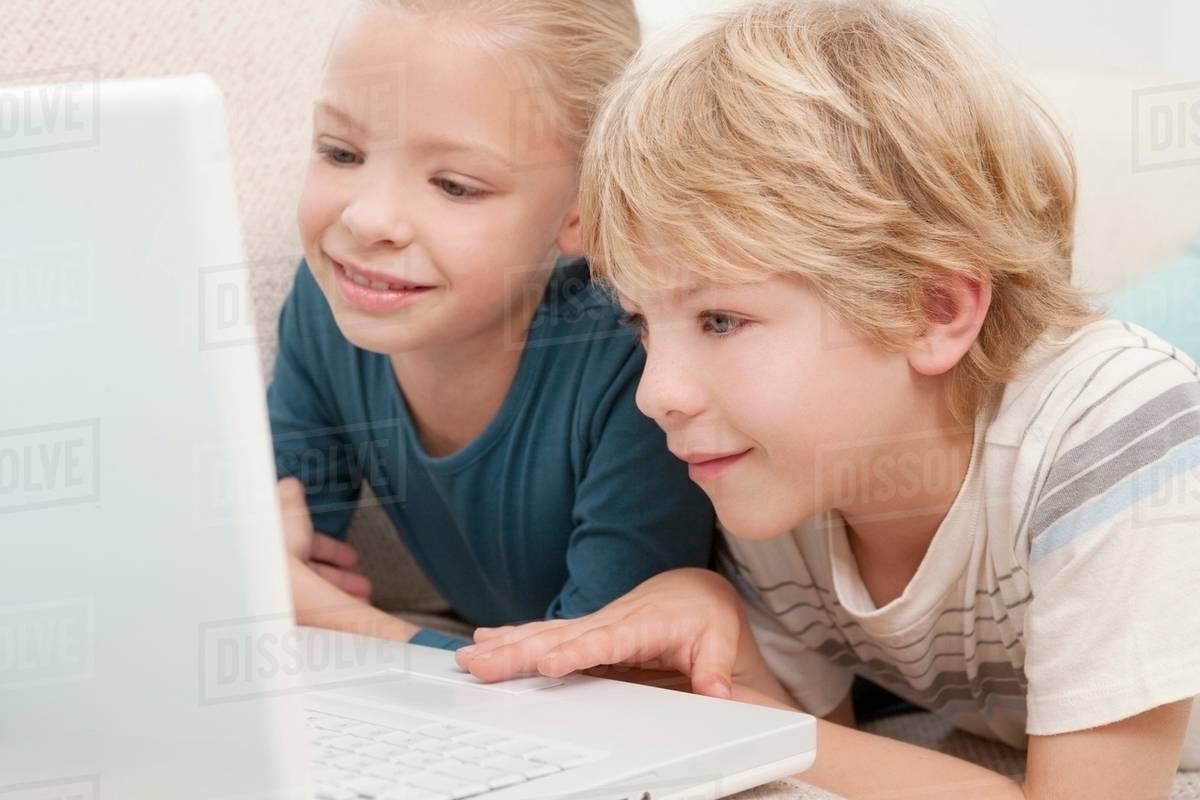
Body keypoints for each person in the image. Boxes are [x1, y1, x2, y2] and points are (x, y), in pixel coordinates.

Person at [456, 1, 1200, 795]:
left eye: (720, 318)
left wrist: (750, 731)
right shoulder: (781, 479)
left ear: (933, 309)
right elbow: (836, 768)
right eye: (643, 322)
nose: (656, 395)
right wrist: (721, 632)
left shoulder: (1117, 432)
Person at [268, 0, 714, 650]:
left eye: (454, 186)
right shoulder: (327, 301)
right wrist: (264, 568)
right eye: (340, 152)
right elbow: (272, 550)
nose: (366, 220)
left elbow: (600, 682)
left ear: (582, 214)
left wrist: (332, 617)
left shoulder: (638, 364)